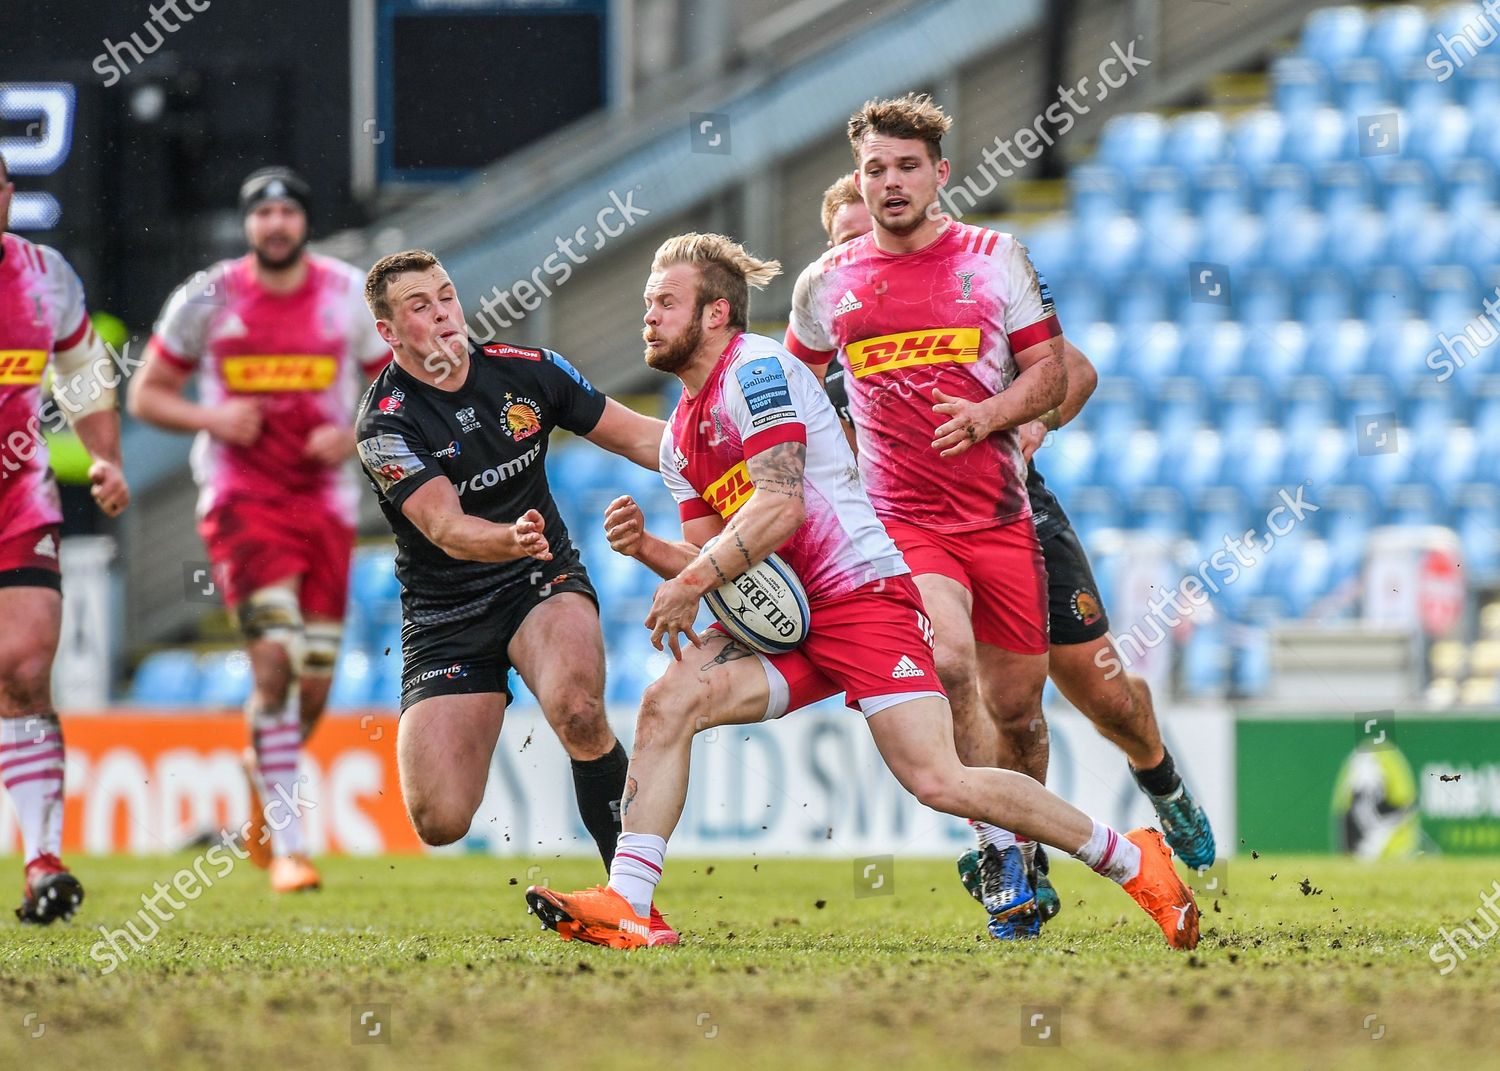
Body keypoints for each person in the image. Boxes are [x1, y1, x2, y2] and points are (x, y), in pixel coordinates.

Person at [524, 232, 1199, 951]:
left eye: (665, 302)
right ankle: (631, 902)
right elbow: (718, 562)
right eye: (648, 304)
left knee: (939, 779)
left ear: (716, 312)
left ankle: (1133, 860)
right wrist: (651, 551)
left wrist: (690, 579)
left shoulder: (756, 372)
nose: (649, 317)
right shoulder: (677, 439)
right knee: (669, 700)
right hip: (786, 619)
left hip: (861, 598)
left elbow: (780, 505)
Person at [813, 172, 1216, 931]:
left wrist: (1028, 426)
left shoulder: (966, 299)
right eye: (847, 240)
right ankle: (1012, 855)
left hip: (1018, 521)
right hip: (917, 538)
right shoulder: (831, 355)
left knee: (1103, 699)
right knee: (965, 678)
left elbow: (1075, 371)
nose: (867, 249)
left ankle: (1160, 778)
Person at [354, 249, 680, 945]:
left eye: (446, 295)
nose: (443, 314)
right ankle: (484, 695)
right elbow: (445, 527)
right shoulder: (385, 424)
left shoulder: (528, 371)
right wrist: (505, 538)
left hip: (540, 579)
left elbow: (643, 438)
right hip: (445, 614)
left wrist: (738, 455)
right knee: (440, 820)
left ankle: (631, 905)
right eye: (419, 306)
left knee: (579, 711)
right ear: (389, 332)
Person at [128, 168, 390, 893]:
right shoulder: (208, 296)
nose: (276, 224)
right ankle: (290, 848)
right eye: (263, 213)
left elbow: (397, 385)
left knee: (315, 683)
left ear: (305, 221)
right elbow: (145, 394)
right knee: (275, 658)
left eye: (288, 211)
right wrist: (212, 417)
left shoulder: (346, 293)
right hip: (242, 500)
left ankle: (260, 771)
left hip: (327, 505)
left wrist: (353, 433)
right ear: (248, 225)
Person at [0, 150, 131, 922]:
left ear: (8, 193)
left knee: (24, 665)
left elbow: (81, 371)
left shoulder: (44, 276)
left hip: (17, 499)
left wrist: (106, 458)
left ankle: (42, 862)